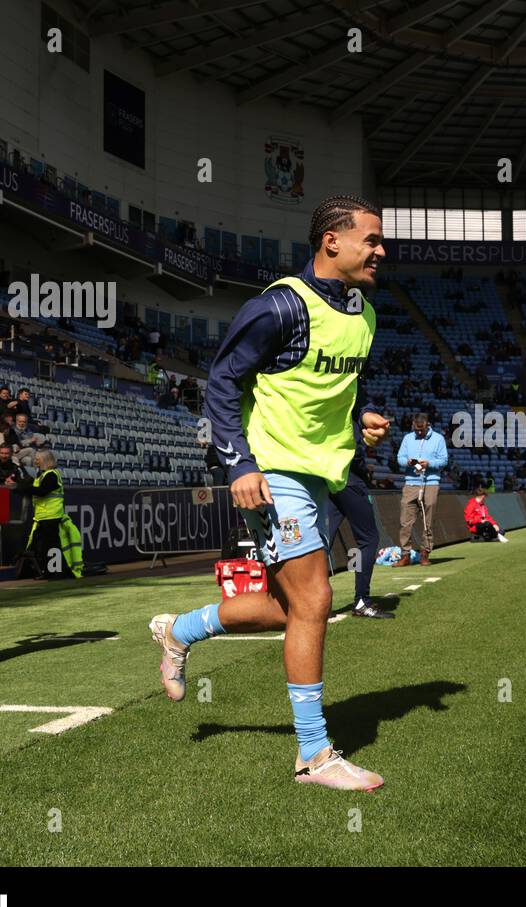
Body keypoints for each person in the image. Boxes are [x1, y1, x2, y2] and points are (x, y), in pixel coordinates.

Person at [147, 195, 391, 791]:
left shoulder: (365, 314)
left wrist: (360, 423)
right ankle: (314, 754)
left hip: (324, 473)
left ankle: (182, 629)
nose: (381, 251)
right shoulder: (279, 306)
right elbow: (222, 383)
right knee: (314, 599)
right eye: (371, 239)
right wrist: (239, 465)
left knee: (292, 608)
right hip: (273, 470)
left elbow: (332, 390)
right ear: (332, 240)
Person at [325, 389, 395, 618]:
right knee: (368, 538)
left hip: (323, 471)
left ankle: (308, 600)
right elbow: (360, 408)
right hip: (346, 473)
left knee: (322, 540)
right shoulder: (348, 383)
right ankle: (361, 600)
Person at [13, 449, 83, 579]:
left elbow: (41, 491)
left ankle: (54, 572)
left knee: (52, 546)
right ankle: (50, 571)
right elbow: (34, 487)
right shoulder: (44, 475)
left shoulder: (51, 475)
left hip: (51, 516)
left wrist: (20, 487)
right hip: (44, 516)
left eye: (38, 458)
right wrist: (18, 485)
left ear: (45, 460)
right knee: (46, 546)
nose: (35, 460)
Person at [394, 413, 447, 567]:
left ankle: (425, 553)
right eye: (416, 430)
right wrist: (408, 462)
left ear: (427, 425)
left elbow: (444, 461)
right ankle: (405, 555)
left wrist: (428, 464)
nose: (419, 433)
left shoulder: (438, 439)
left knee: (427, 520)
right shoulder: (407, 438)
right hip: (411, 483)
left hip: (430, 483)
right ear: (413, 425)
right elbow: (399, 458)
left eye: (422, 430)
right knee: (405, 521)